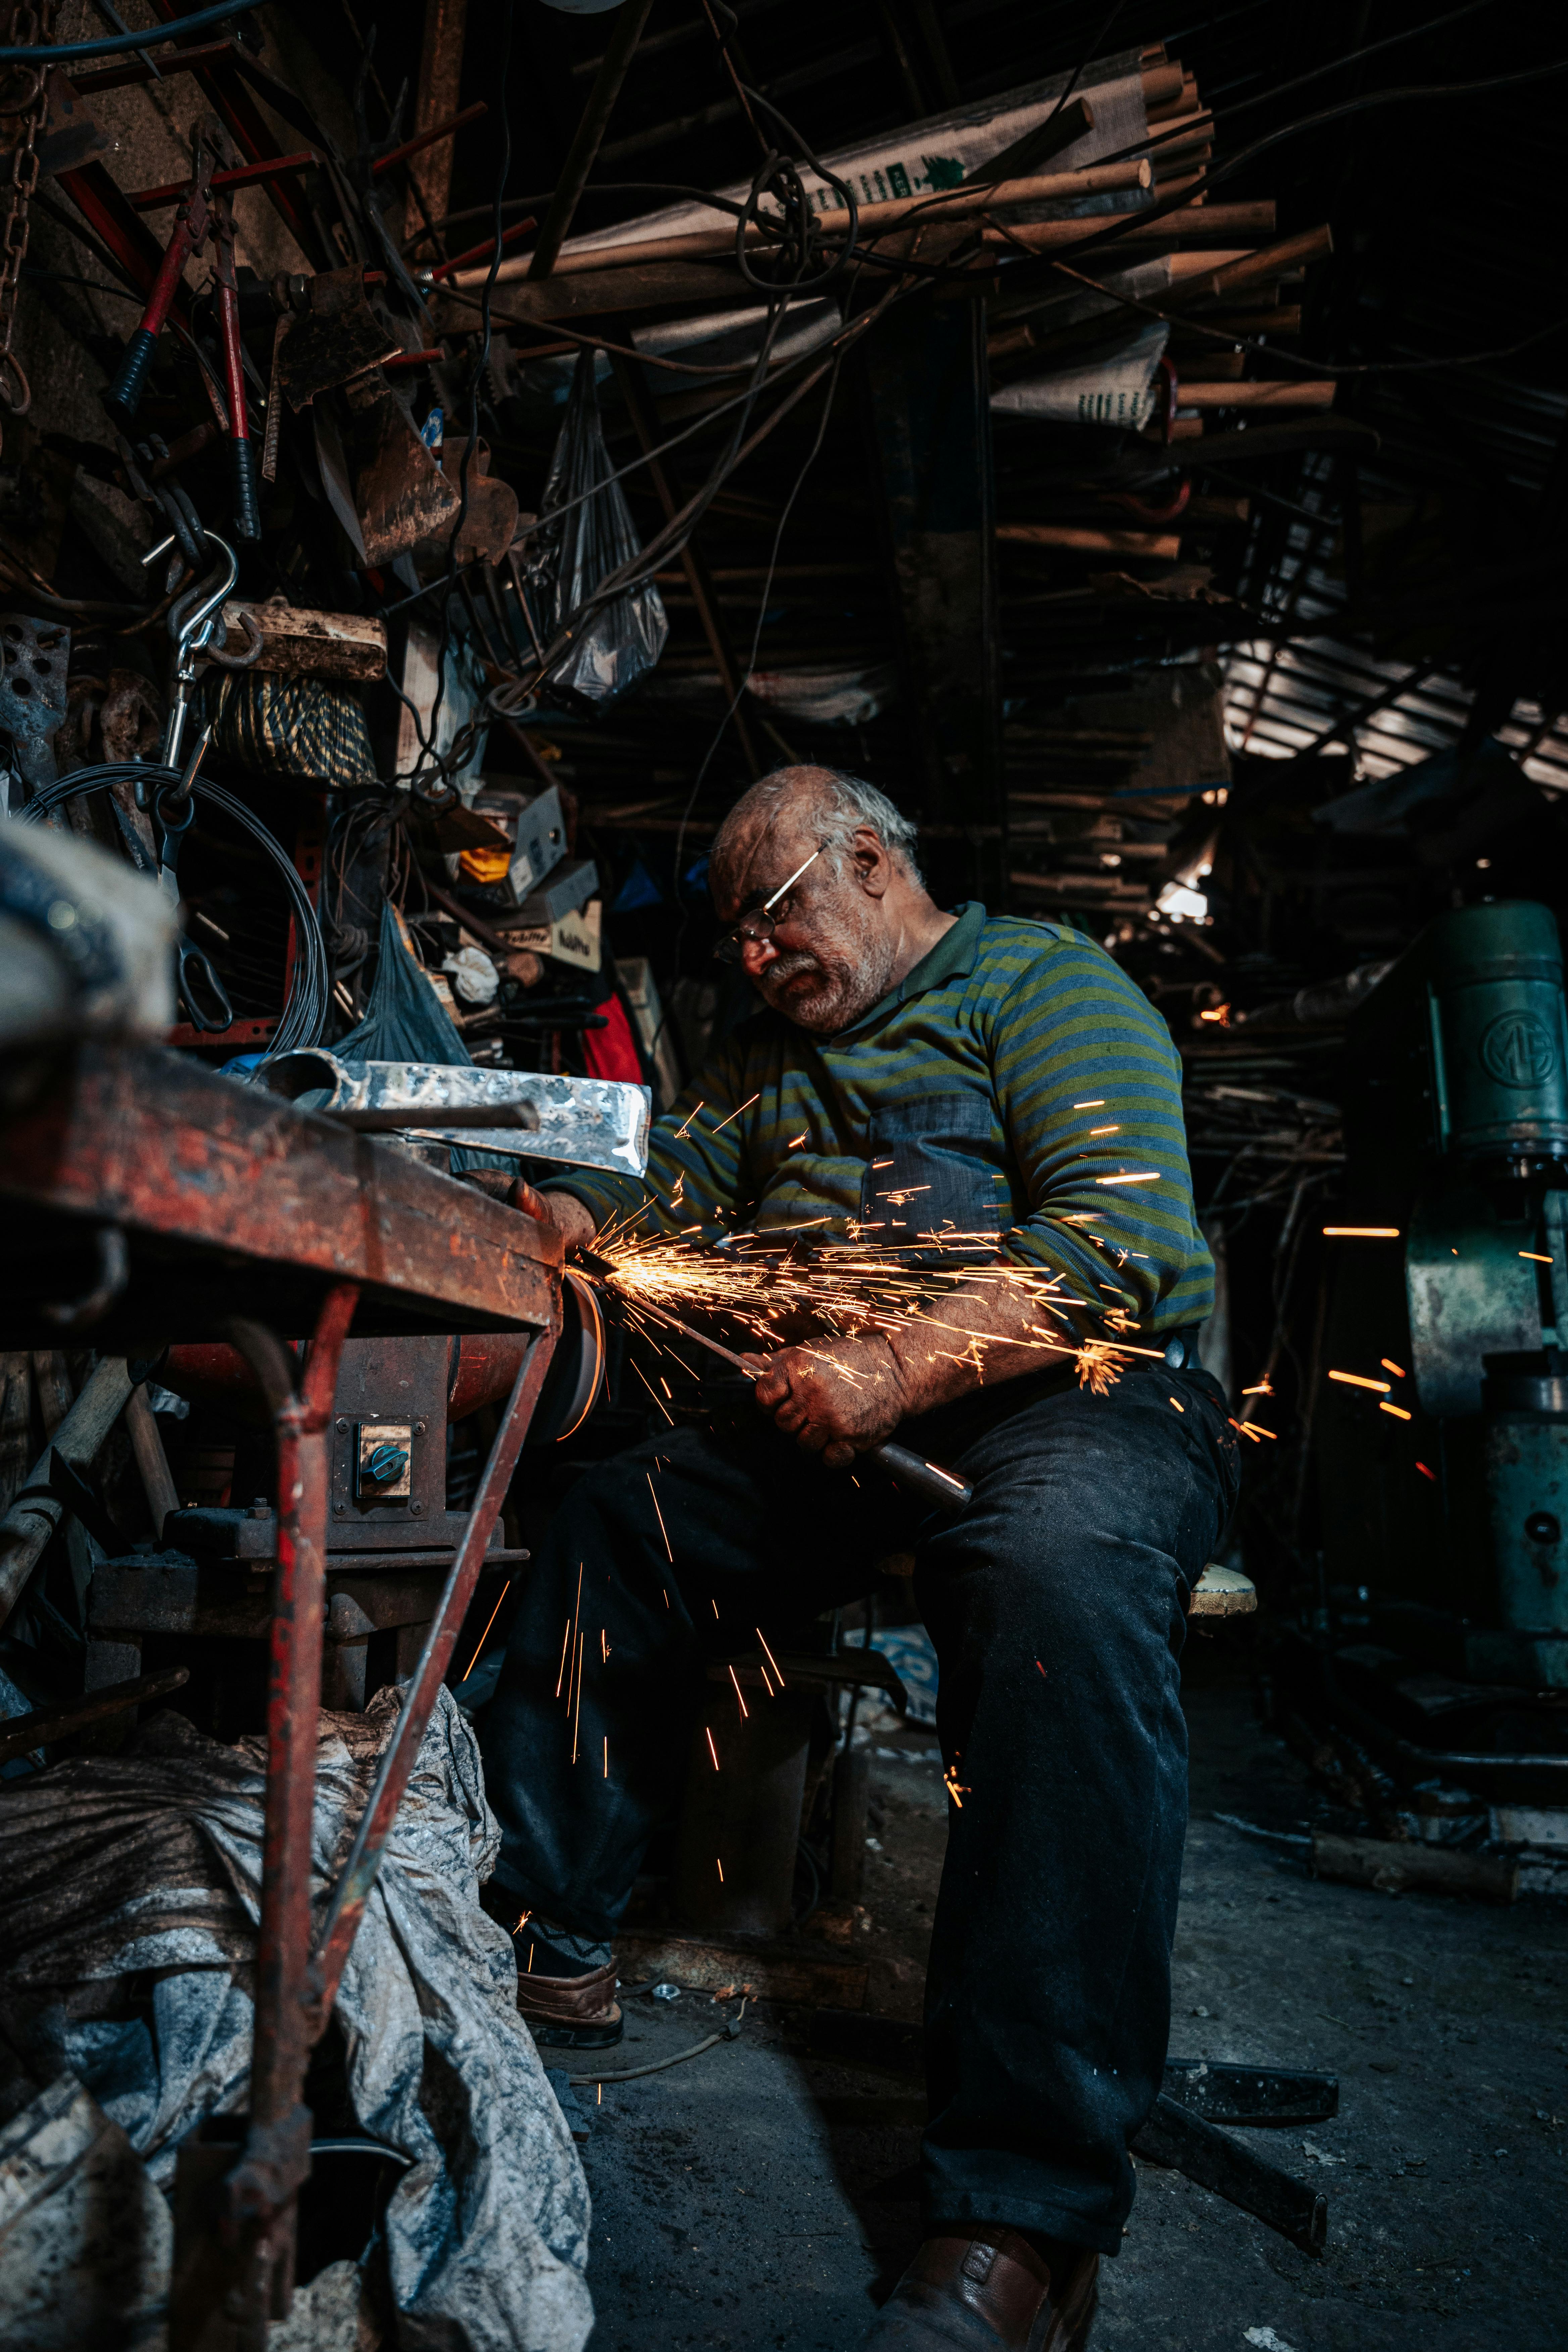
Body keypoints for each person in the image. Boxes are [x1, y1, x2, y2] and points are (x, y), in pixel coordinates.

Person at [478, 765, 1236, 2351]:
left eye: (772, 922)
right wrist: (572, 1207)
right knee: (628, 1518)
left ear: (873, 862)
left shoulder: (1045, 984)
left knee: (1052, 1596)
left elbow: (1123, 1244)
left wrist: (896, 1362)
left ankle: (1023, 2216)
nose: (754, 965)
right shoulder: (771, 1059)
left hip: (1073, 1395)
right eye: (737, 946)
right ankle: (541, 1937)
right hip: (839, 1418)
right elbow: (687, 1183)